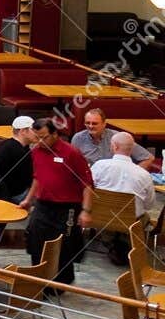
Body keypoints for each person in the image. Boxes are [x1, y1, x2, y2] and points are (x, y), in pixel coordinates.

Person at [21, 117, 94, 287]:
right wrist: (28, 199)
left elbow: (87, 184)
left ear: (55, 134)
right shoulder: (36, 151)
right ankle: (38, 278)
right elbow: (37, 178)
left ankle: (61, 282)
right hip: (43, 204)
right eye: (36, 137)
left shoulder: (72, 153)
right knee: (34, 239)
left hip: (67, 207)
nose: (39, 141)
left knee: (63, 245)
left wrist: (86, 211)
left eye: (43, 137)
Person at [90, 130, 155, 263]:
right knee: (144, 215)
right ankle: (125, 244)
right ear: (132, 149)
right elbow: (149, 205)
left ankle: (110, 240)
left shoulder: (99, 166)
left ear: (114, 146)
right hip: (130, 223)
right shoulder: (144, 175)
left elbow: (88, 190)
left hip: (102, 219)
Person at [72, 108, 155, 167]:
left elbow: (148, 158)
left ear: (104, 124)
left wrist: (134, 175)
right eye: (87, 123)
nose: (90, 126)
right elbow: (72, 163)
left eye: (94, 123)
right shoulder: (78, 138)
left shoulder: (118, 138)